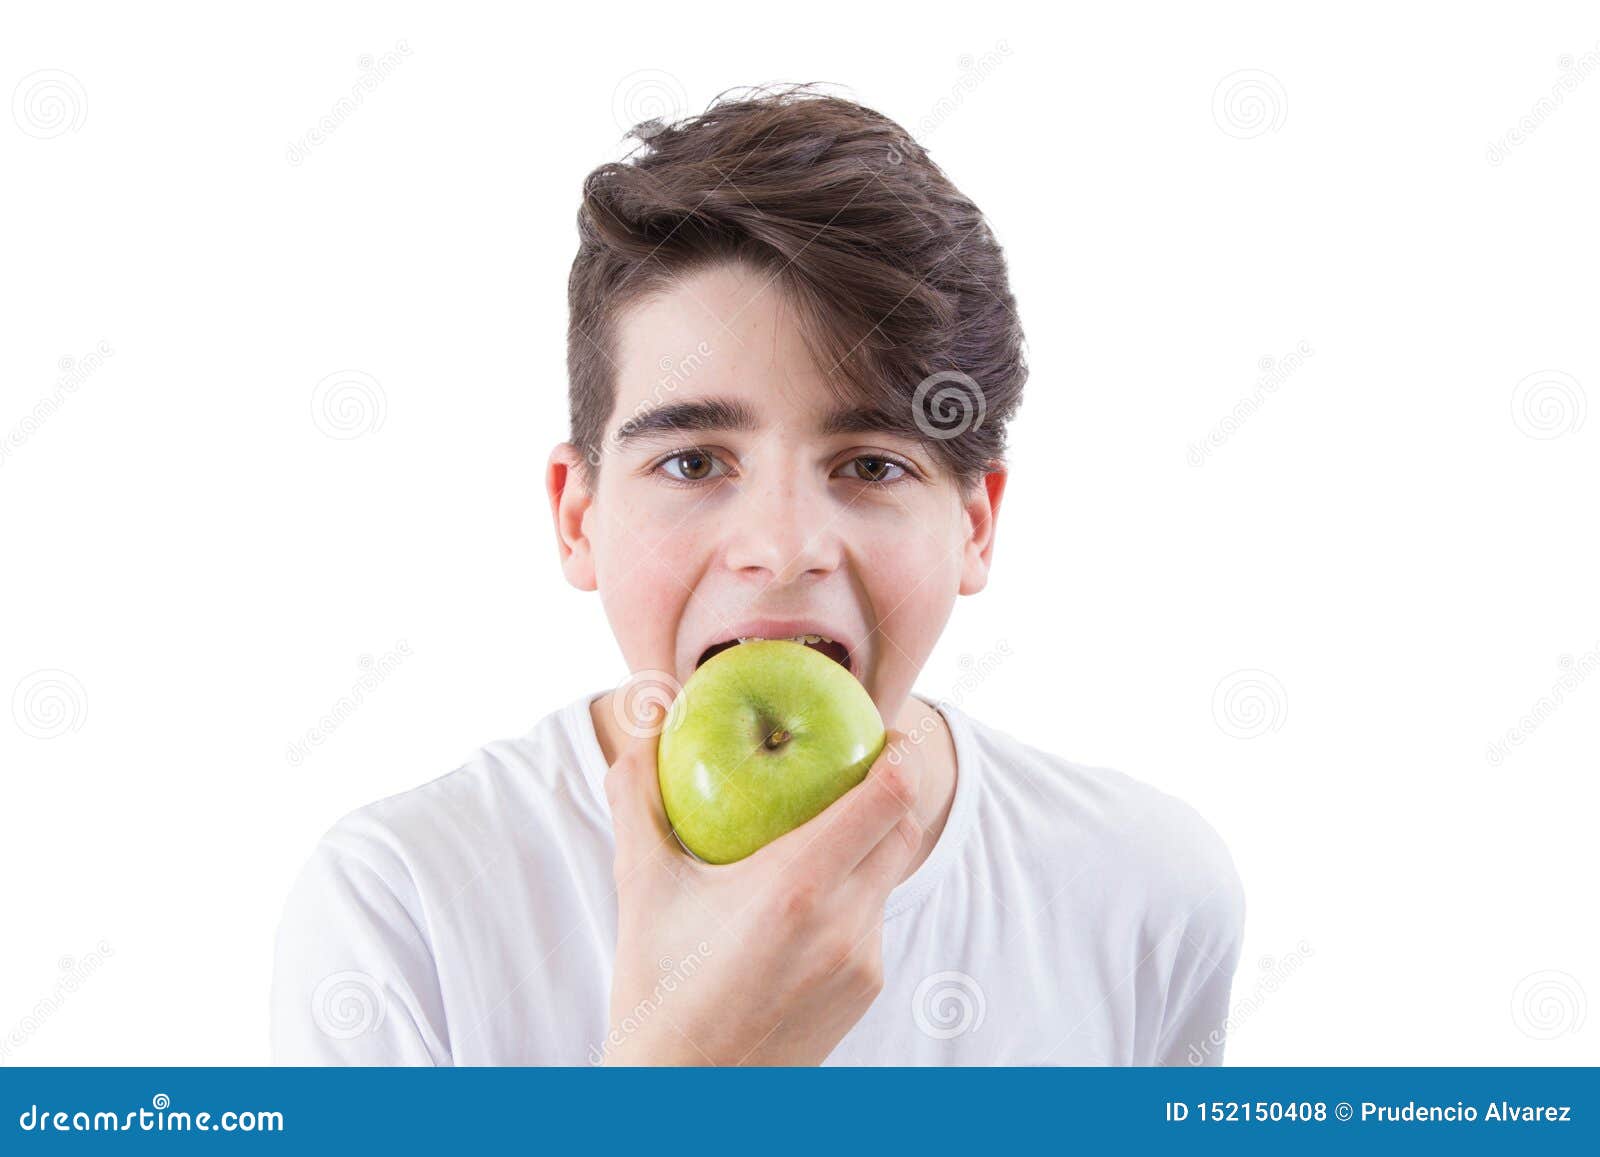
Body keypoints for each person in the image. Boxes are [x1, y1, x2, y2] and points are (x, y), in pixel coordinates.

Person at [270, 83, 1245, 1066]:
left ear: (975, 526)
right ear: (579, 516)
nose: (782, 548)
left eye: (870, 465)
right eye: (693, 462)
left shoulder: (1146, 891)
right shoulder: (401, 910)